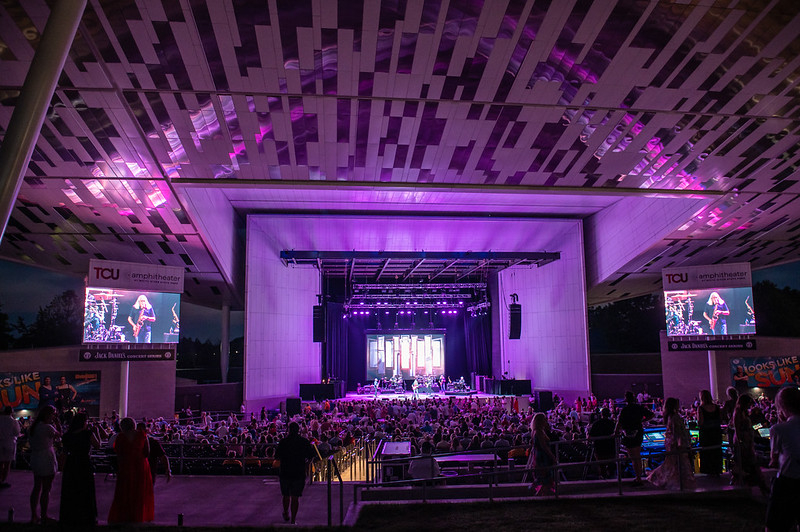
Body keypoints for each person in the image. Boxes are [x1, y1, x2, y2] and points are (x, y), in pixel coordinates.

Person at [765, 387, 800, 532]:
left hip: (787, 483)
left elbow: (773, 460)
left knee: (774, 526)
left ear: (782, 406)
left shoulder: (778, 429)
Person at [108, 417, 154, 523]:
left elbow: (118, 452)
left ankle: (124, 515)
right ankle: (138, 516)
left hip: (125, 465)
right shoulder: (142, 435)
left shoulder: (120, 437)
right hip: (140, 466)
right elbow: (147, 452)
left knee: (124, 491)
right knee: (139, 491)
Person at [59, 413, 100, 526]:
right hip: (84, 463)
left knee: (71, 490)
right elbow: (98, 445)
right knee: (85, 490)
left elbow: (65, 451)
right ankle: (86, 516)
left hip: (71, 463)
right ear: (84, 422)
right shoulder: (88, 434)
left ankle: (70, 516)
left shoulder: (67, 436)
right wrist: (96, 431)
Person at [647, 397, 696, 490]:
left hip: (671, 443)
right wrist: (681, 443)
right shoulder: (675, 417)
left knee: (672, 463)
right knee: (678, 463)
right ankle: (679, 482)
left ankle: (671, 481)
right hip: (677, 444)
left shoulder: (670, 417)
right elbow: (677, 432)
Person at [275, 421, 316, 525]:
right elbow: (312, 455)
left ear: (288, 430)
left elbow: (277, 456)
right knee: (295, 497)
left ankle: (285, 512)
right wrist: (306, 466)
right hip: (299, 472)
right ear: (299, 430)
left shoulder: (283, 442)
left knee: (285, 495)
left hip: (285, 471)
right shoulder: (304, 442)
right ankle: (293, 520)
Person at [28, 405, 61, 524]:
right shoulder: (48, 427)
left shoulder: (34, 427)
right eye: (53, 414)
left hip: (35, 457)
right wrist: (57, 422)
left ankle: (34, 515)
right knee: (46, 489)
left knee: (36, 487)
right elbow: (59, 434)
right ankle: (44, 515)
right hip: (46, 458)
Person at [615, 390, 654, 486]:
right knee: (637, 456)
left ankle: (638, 477)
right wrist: (642, 420)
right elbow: (651, 415)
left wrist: (615, 432)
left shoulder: (624, 410)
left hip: (628, 434)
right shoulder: (639, 408)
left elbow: (619, 423)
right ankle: (639, 477)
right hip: (638, 433)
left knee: (633, 457)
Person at [731, 394, 768, 493]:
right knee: (748, 462)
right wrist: (740, 442)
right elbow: (737, 428)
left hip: (748, 440)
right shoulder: (738, 413)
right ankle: (761, 484)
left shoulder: (744, 412)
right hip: (743, 441)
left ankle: (754, 483)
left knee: (747, 462)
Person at [528, 412, 557, 496]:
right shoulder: (539, 432)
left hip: (539, 456)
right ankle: (538, 495)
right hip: (542, 457)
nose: (546, 421)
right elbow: (544, 446)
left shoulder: (536, 431)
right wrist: (552, 456)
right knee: (546, 479)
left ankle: (541, 496)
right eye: (544, 419)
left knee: (545, 479)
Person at [696, 389, 723, 476]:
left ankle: (709, 471)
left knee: (707, 453)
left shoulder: (700, 408)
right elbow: (720, 419)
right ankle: (717, 469)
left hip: (706, 434)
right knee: (716, 451)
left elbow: (700, 422)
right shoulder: (716, 407)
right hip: (716, 432)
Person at [588, 407, 616, 479]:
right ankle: (612, 478)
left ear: (601, 414)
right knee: (611, 465)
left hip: (599, 448)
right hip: (610, 448)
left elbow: (590, 437)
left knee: (602, 466)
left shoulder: (596, 424)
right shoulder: (612, 423)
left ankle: (604, 477)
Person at [0, 406, 20, 487]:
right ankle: (3, 481)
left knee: (0, 463)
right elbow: (16, 432)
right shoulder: (13, 421)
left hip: (0, 443)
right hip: (9, 443)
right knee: (7, 464)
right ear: (11, 412)